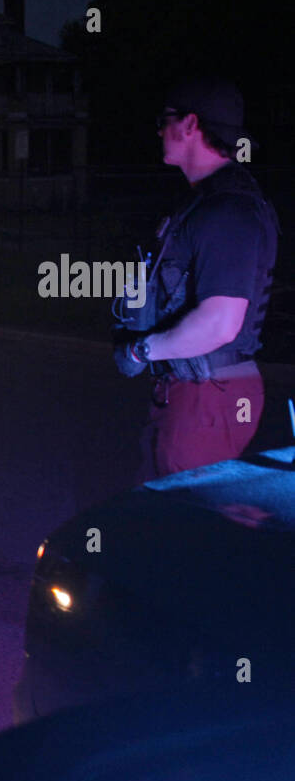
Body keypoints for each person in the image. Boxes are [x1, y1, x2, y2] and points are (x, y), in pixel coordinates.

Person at [114, 76, 280, 481]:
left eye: (164, 119)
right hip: (195, 390)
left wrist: (142, 350)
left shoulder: (228, 210)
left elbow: (221, 323)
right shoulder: (205, 202)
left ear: (190, 125)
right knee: (168, 514)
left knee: (179, 529)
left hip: (209, 394)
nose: (159, 129)